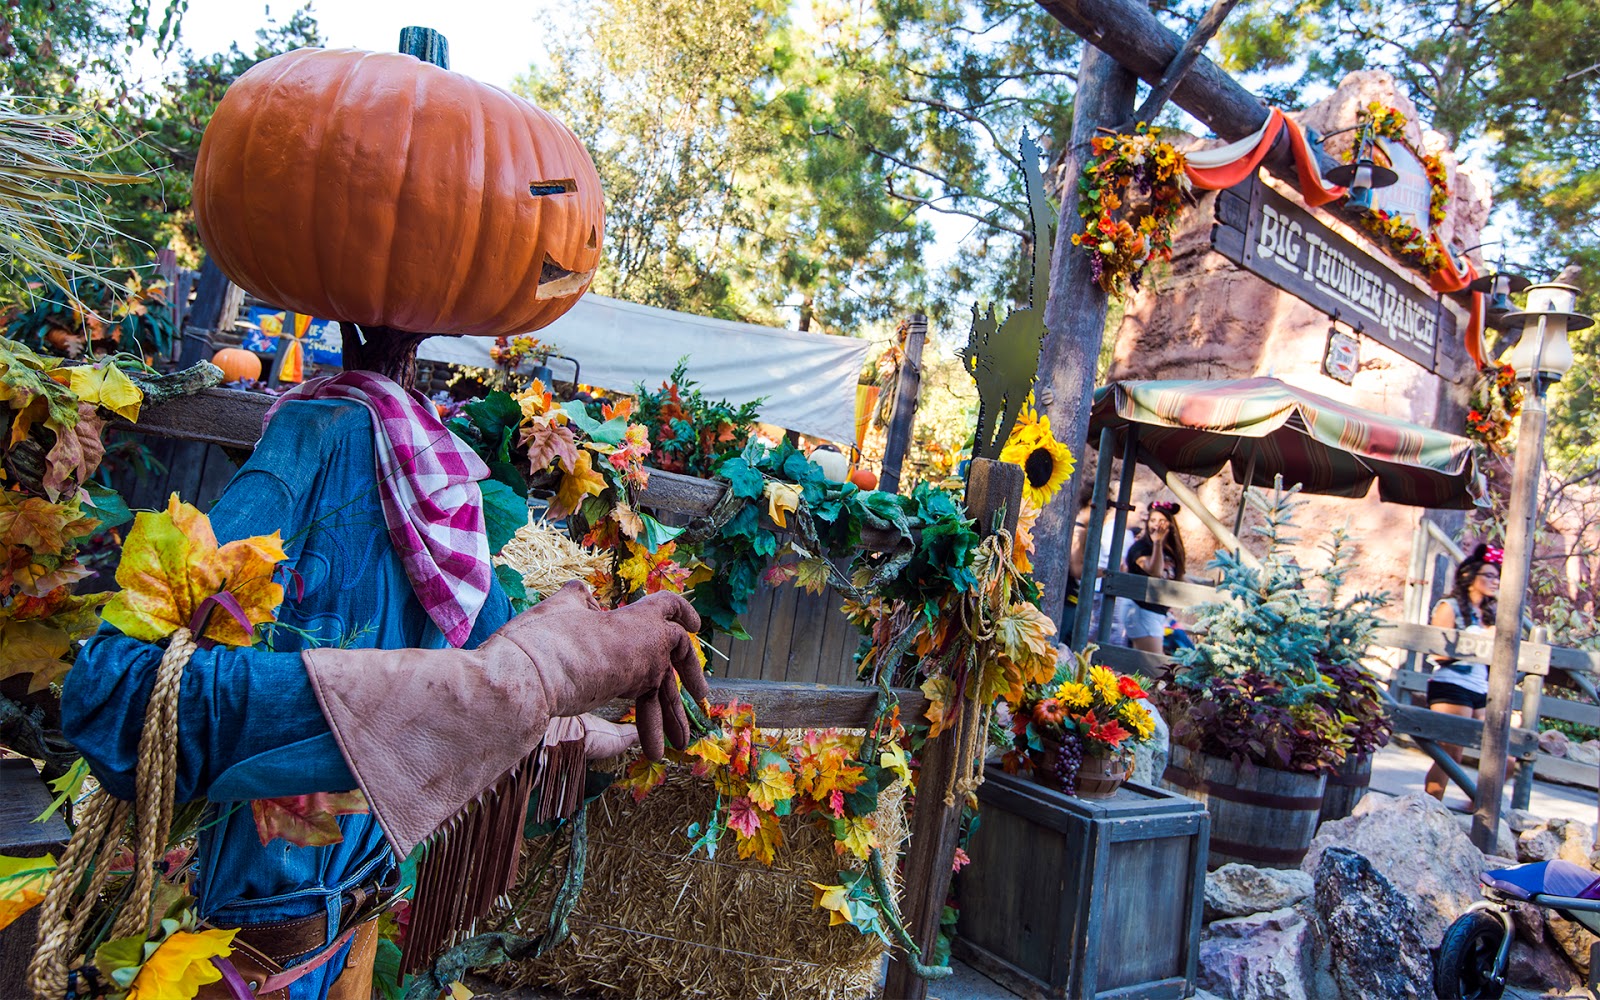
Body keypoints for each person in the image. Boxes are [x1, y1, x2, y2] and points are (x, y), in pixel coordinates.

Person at [60, 375, 708, 999]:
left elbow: (494, 670)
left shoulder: (446, 495)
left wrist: (572, 713)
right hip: (237, 962)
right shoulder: (316, 439)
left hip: (353, 929)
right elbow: (117, 703)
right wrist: (534, 678)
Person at [1423, 542, 1507, 801]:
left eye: (1497, 577)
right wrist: (1474, 642)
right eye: (1489, 576)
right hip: (1452, 683)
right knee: (1452, 751)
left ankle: (1480, 806)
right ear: (1470, 577)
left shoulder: (1490, 614)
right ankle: (1428, 806)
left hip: (1480, 687)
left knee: (1506, 755)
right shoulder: (1450, 606)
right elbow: (1437, 652)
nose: (1495, 582)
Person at [1068, 485, 1133, 646]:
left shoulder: (1083, 529)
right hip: (1069, 597)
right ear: (1092, 503)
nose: (1106, 513)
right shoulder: (1079, 531)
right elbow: (1077, 569)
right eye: (1106, 507)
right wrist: (1106, 573)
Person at [1124, 500, 1186, 655]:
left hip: (1159, 612)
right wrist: (1157, 543)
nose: (1156, 525)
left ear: (1170, 525)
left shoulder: (1170, 550)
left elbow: (1176, 577)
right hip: (1142, 611)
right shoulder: (1140, 549)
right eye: (1152, 521)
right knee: (1153, 667)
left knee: (1146, 668)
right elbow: (1155, 572)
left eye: (1161, 521)